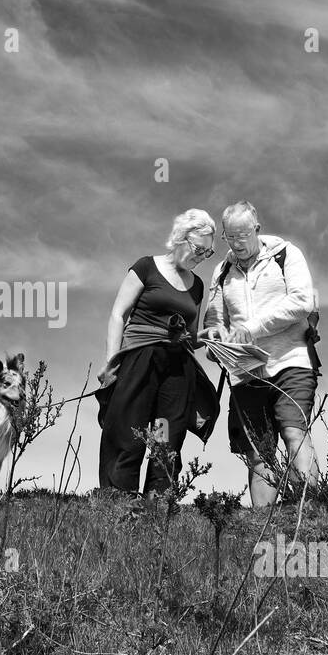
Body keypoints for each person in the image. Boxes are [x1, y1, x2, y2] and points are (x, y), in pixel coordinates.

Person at [199, 201, 320, 509]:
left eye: (243, 235)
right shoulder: (222, 271)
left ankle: (311, 512)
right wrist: (215, 341)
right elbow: (214, 320)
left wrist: (252, 328)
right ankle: (261, 522)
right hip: (247, 371)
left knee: (294, 432)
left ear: (257, 229)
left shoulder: (286, 254)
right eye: (230, 237)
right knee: (258, 450)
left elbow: (302, 302)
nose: (237, 243)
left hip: (290, 361)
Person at [97, 209, 220, 495]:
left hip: (177, 369)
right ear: (180, 237)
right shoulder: (146, 267)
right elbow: (118, 314)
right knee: (130, 431)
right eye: (198, 249)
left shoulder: (197, 286)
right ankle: (118, 499)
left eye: (208, 252)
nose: (202, 257)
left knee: (167, 434)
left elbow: (189, 336)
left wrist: (207, 338)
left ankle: (159, 500)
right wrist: (112, 361)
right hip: (139, 359)